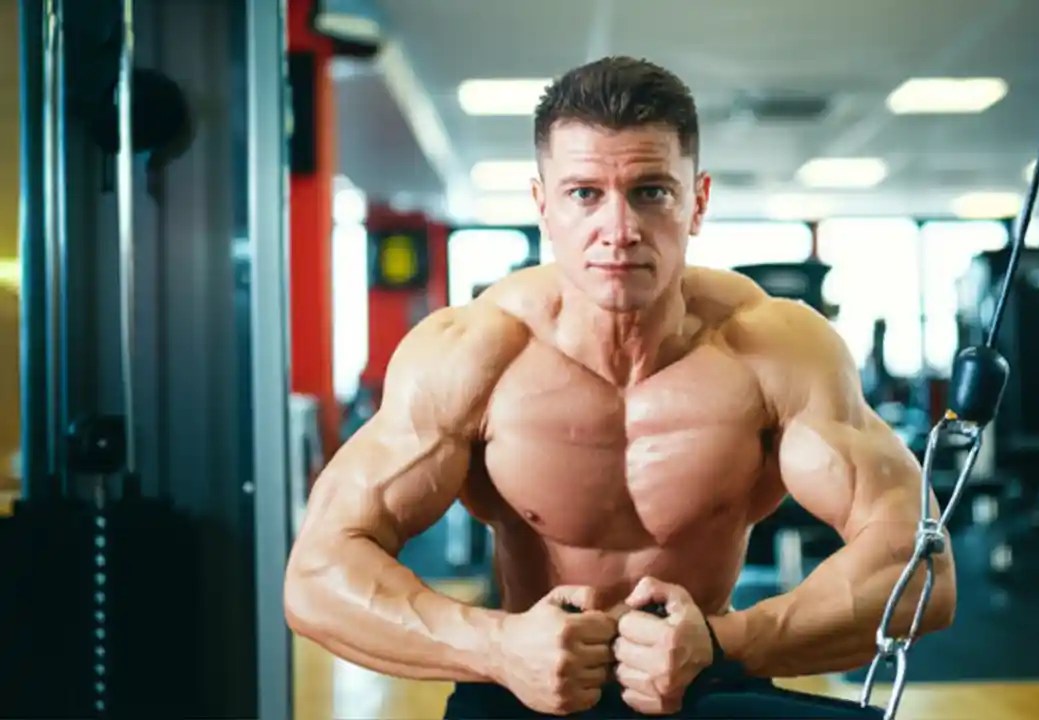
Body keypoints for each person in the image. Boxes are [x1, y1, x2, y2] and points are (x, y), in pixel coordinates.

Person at [284, 55, 956, 719]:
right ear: (543, 205)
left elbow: (920, 565)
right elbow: (317, 575)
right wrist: (497, 646)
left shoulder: (780, 351)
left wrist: (724, 642)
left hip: (707, 677)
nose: (620, 230)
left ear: (697, 202)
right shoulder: (470, 356)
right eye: (584, 194)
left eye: (651, 191)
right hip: (522, 684)